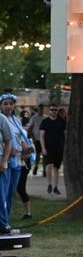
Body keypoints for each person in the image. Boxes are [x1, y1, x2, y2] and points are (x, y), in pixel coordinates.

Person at [1, 94, 32, 224]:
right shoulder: (2, 119)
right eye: (5, 103)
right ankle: (3, 222)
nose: (8, 106)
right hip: (6, 160)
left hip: (18, 161)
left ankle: (5, 220)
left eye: (10, 103)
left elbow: (20, 139)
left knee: (11, 193)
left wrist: (27, 147)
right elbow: (4, 141)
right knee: (3, 192)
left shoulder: (16, 121)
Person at [39, 105, 66, 195]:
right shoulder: (45, 122)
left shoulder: (62, 121)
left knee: (56, 168)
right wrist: (43, 148)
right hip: (48, 148)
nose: (54, 111)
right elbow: (41, 135)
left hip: (59, 148)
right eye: (52, 109)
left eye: (55, 110)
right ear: (49, 111)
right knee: (48, 166)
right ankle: (49, 184)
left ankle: (55, 187)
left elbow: (65, 134)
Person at [0, 105, 13, 235]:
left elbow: (8, 141)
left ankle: (2, 224)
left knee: (0, 195)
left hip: (0, 161)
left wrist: (4, 161)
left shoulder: (2, 119)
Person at [27, 104, 45, 176]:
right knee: (38, 154)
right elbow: (30, 129)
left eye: (42, 109)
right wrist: (33, 138)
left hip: (44, 139)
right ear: (38, 109)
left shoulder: (45, 118)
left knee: (44, 154)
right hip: (37, 139)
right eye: (40, 109)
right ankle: (36, 167)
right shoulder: (34, 118)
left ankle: (44, 170)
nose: (41, 110)